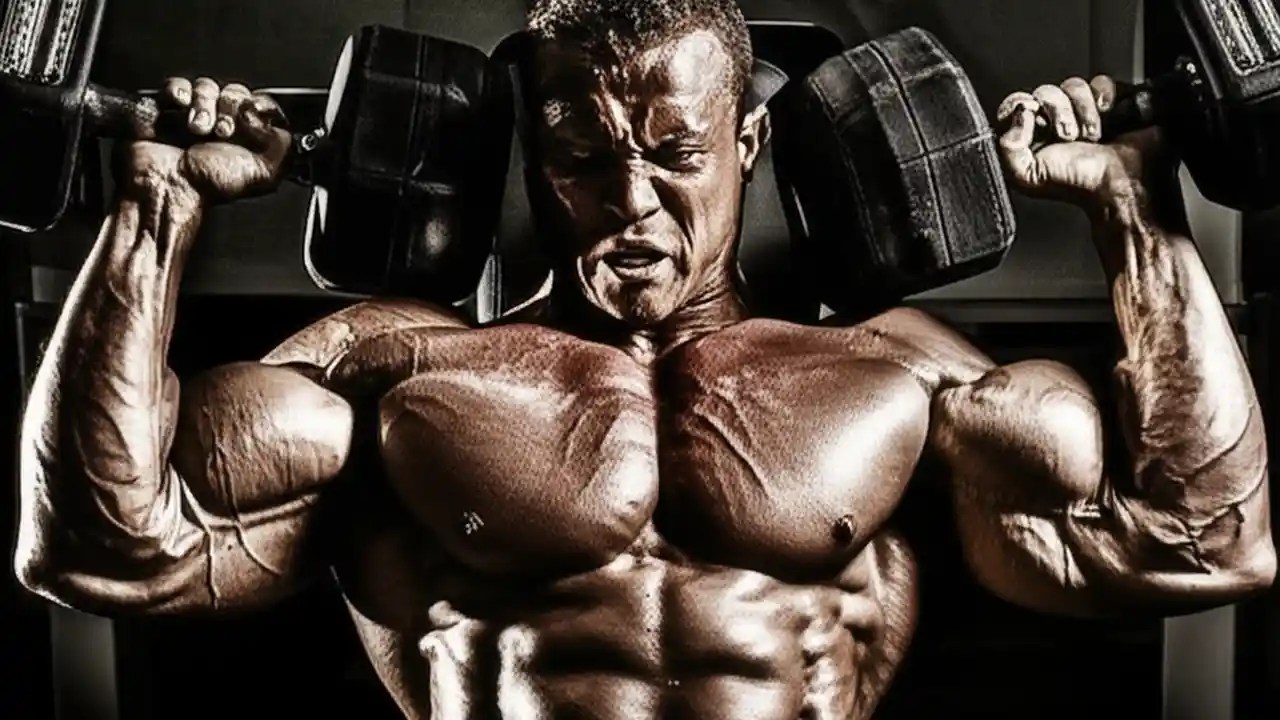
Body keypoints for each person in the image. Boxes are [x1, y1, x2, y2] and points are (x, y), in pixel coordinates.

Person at [13, 1, 1276, 718]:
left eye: (675, 152)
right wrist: (156, 213)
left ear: (749, 139)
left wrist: (1130, 209)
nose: (629, 201)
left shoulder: (887, 375)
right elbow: (101, 546)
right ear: (529, 161)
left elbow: (1200, 541)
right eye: (578, 157)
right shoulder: (397, 370)